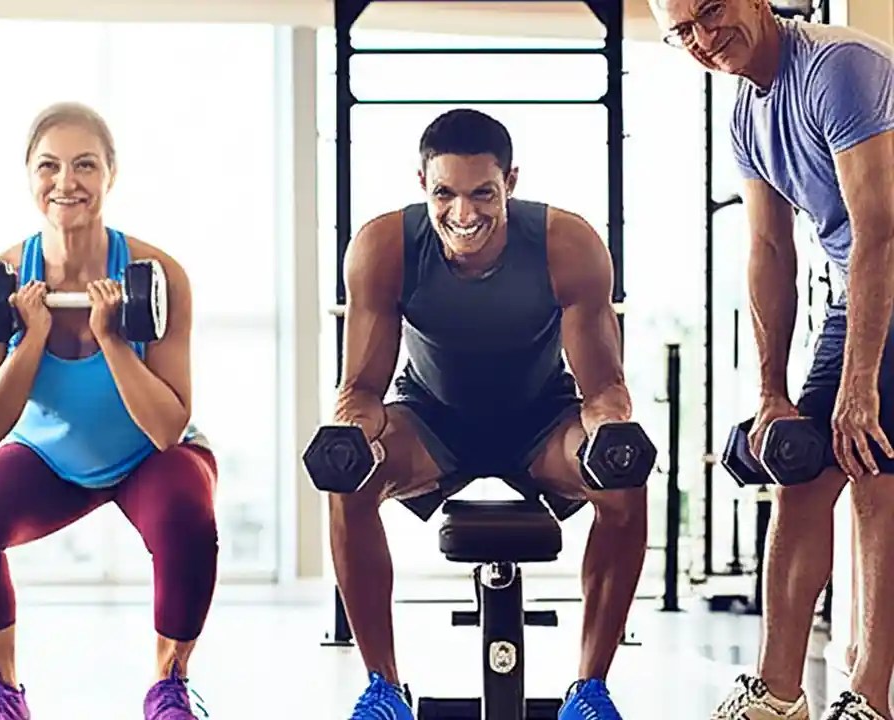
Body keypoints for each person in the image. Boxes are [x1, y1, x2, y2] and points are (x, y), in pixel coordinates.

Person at [327, 108, 649, 720]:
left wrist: (609, 432)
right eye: (445, 192)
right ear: (422, 183)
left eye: (483, 193)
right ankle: (383, 689)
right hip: (432, 419)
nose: (464, 213)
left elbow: (604, 386)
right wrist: (353, 436)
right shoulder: (383, 247)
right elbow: (362, 390)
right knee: (349, 483)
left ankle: (590, 691)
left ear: (511, 182)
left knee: (625, 482)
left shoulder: (566, 243)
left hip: (540, 421)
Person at [647, 2, 894, 719]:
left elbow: (880, 230)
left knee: (873, 468)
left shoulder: (838, 69)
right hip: (859, 292)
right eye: (683, 30)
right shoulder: (747, 115)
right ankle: (777, 694)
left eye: (712, 10)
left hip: (887, 271)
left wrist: (860, 388)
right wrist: (771, 394)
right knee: (801, 477)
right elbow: (768, 251)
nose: (703, 36)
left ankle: (869, 700)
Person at [0, 101, 218, 720]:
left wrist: (115, 338)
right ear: (29, 177)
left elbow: (168, 427)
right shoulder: (3, 276)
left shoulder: (159, 274)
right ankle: (1, 691)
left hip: (150, 455)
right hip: (51, 456)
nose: (66, 183)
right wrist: (32, 335)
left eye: (85, 165)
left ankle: (169, 686)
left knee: (188, 519)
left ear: (110, 175)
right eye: (50, 167)